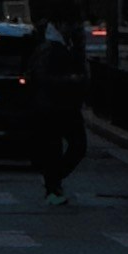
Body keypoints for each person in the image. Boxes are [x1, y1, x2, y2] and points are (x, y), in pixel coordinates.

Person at [26, 17, 88, 206]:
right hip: (53, 105)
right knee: (60, 147)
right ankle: (52, 184)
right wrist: (70, 80)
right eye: (71, 23)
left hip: (63, 104)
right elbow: (43, 77)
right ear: (61, 24)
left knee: (72, 146)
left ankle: (53, 182)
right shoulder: (49, 48)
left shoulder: (63, 45)